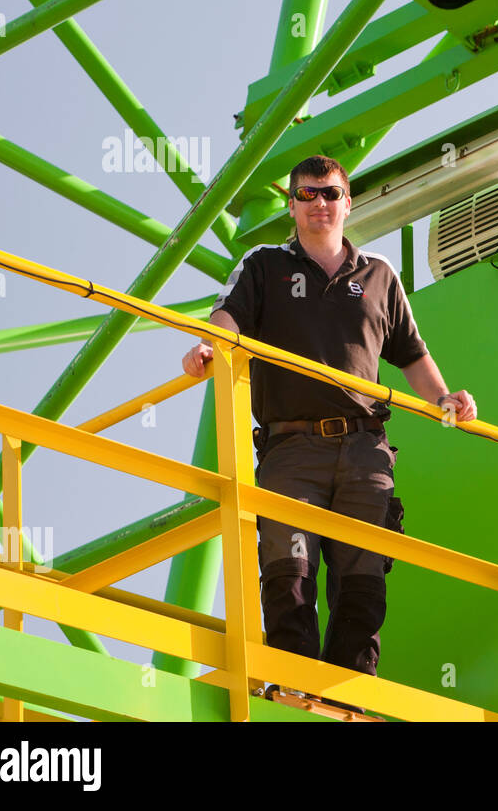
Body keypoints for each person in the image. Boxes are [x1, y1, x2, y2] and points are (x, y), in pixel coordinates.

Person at [181, 154, 475, 703]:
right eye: (308, 194)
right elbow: (226, 322)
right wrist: (205, 346)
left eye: (331, 194)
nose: (321, 204)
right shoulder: (265, 265)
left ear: (348, 201)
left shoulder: (380, 275)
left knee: (363, 578)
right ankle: (294, 690)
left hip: (365, 448)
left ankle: (346, 697)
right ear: (292, 204)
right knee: (288, 571)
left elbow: (412, 354)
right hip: (291, 447)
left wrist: (444, 398)